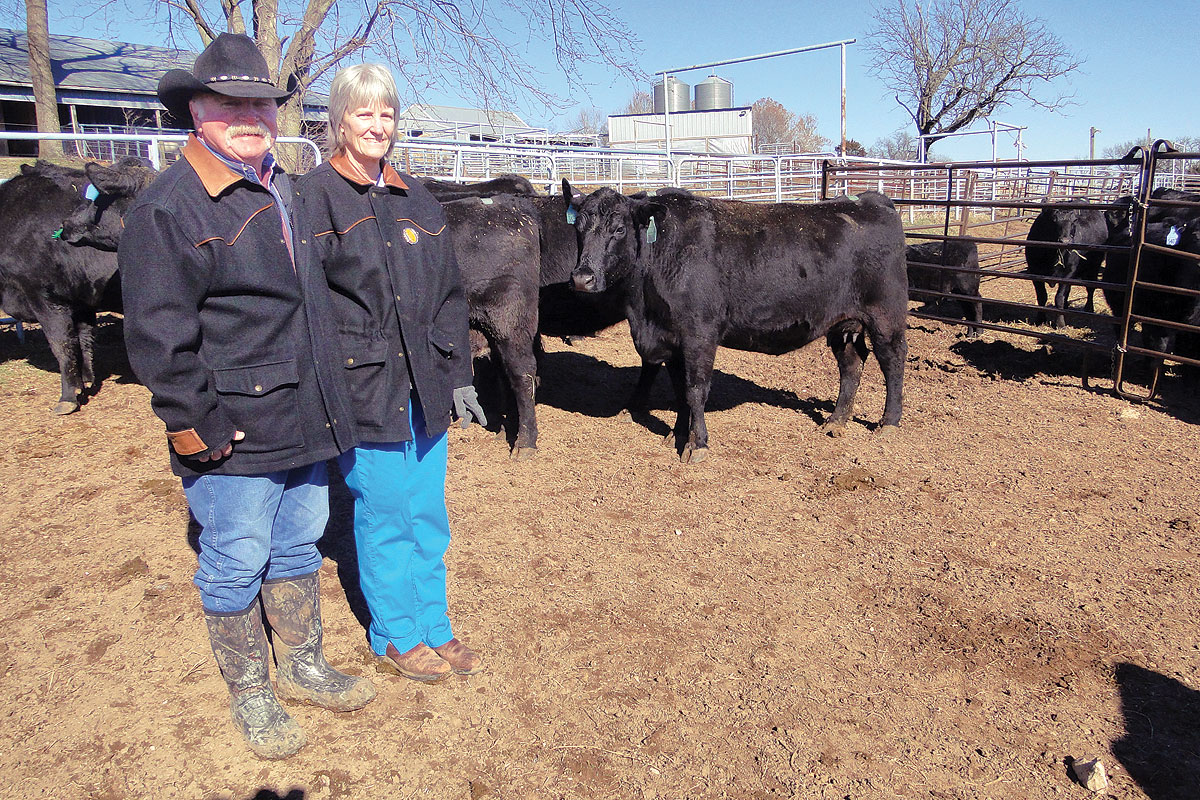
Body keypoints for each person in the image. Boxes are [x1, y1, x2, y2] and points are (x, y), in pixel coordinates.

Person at [118, 34, 375, 759]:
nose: (248, 114)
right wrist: (197, 426)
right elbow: (158, 343)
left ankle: (300, 665)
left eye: (259, 101)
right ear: (195, 110)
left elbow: (312, 303)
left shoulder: (282, 186)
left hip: (305, 411)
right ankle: (253, 695)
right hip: (233, 424)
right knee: (235, 556)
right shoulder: (171, 208)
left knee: (298, 543)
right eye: (229, 102)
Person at [294, 63, 487, 683]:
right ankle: (396, 634)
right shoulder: (316, 196)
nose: (378, 126)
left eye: (387, 114)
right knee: (384, 510)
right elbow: (312, 302)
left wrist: (459, 373)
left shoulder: (419, 199)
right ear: (340, 122)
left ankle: (435, 623)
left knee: (428, 507)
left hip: (424, 381)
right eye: (363, 114)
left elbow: (450, 294)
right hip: (365, 382)